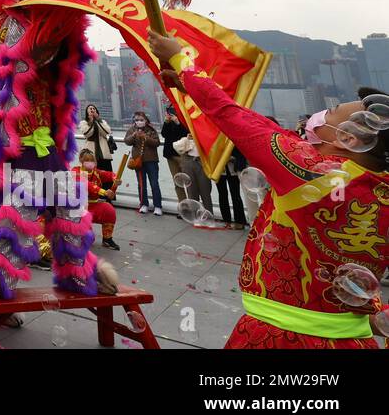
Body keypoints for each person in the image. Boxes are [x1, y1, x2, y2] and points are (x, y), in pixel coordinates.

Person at [150, 30, 389, 348]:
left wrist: (182, 60)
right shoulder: (378, 186)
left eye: (331, 112)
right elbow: (268, 129)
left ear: (350, 137)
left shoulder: (315, 173)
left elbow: (235, 118)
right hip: (352, 340)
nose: (321, 115)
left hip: (280, 338)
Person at [74, 148, 119, 250]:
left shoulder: (97, 172)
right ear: (81, 160)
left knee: (109, 210)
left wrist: (116, 178)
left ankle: (107, 239)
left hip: (93, 205)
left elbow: (110, 174)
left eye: (92, 160)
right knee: (89, 239)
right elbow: (87, 184)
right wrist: (104, 192)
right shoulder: (75, 171)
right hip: (79, 208)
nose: (90, 163)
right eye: (87, 160)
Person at [124, 111, 163, 215]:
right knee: (141, 184)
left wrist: (145, 137)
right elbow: (127, 141)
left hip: (151, 160)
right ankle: (143, 204)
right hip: (138, 162)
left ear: (146, 120)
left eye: (141, 120)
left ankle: (158, 206)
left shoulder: (151, 130)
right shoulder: (132, 130)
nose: (139, 122)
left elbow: (157, 143)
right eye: (137, 120)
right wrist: (134, 135)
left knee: (154, 184)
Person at [173, 125, 215, 215]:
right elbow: (176, 146)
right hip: (188, 161)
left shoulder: (205, 134)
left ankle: (208, 215)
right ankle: (194, 215)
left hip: (202, 162)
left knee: (205, 191)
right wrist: (187, 139)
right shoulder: (186, 136)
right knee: (191, 191)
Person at [161, 103, 192, 203]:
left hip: (183, 154)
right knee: (177, 181)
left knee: (188, 181)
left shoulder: (184, 119)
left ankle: (192, 202)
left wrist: (178, 122)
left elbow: (186, 134)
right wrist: (166, 122)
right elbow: (164, 134)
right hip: (170, 155)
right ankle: (183, 203)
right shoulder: (168, 121)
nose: (172, 113)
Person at [216, 147, 248, 229]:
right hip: (218, 168)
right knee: (222, 194)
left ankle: (240, 221)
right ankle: (226, 220)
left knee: (235, 195)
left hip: (232, 168)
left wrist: (232, 157)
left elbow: (240, 152)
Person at [79, 104, 115, 172]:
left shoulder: (102, 122)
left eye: (94, 109)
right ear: (87, 112)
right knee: (91, 173)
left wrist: (98, 120)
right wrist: (92, 121)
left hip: (103, 153)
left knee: (106, 173)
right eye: (90, 109)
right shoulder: (84, 123)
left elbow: (107, 131)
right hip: (90, 153)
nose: (92, 110)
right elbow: (87, 134)